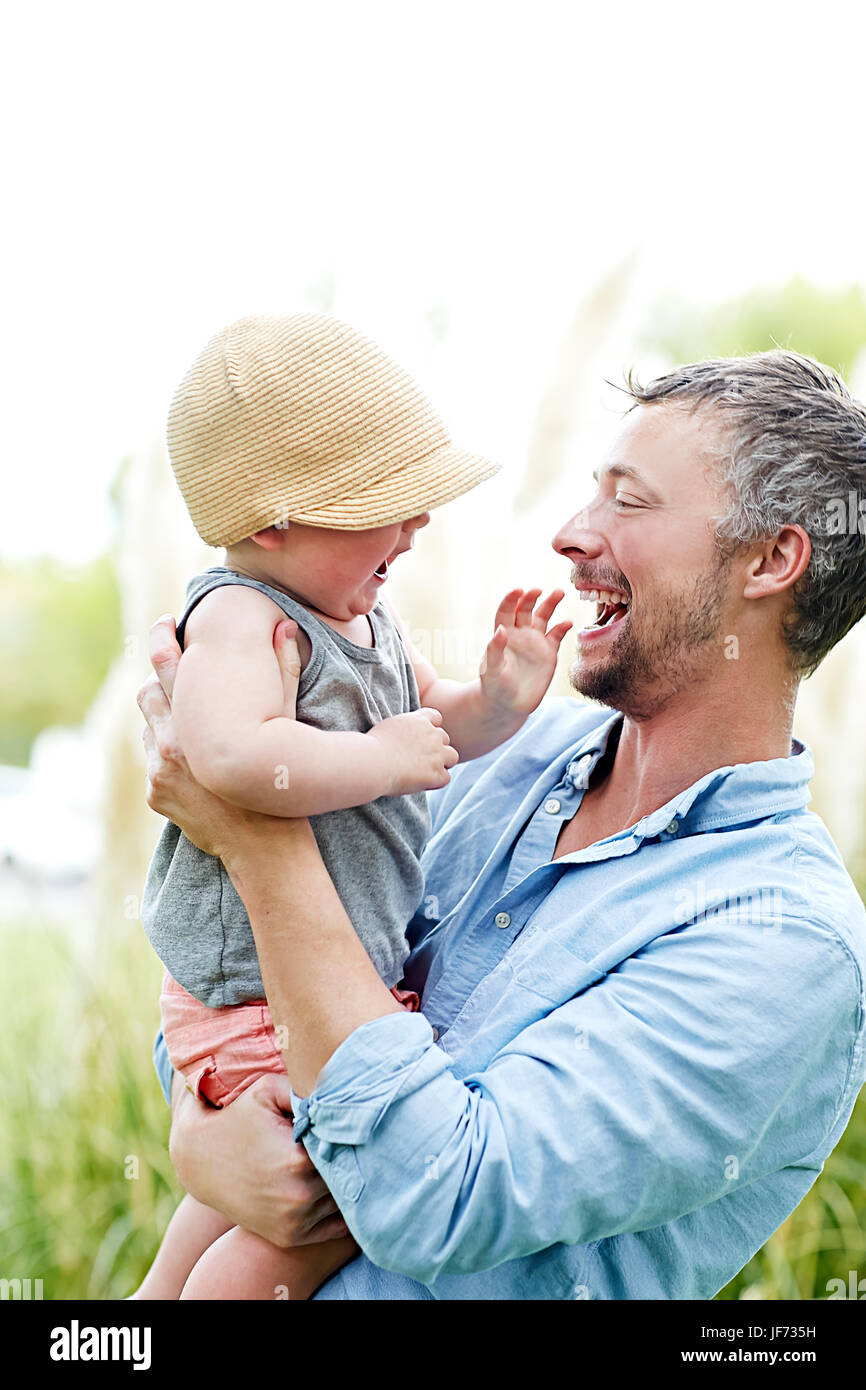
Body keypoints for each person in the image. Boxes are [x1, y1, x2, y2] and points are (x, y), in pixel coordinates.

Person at [140, 348, 866, 1300]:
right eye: (588, 494)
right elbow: (236, 985)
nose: (571, 534)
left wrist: (257, 833)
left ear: (771, 560)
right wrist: (202, 1127)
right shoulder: (493, 761)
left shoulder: (783, 942)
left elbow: (437, 1198)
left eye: (629, 502)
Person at [131, 311, 572, 1300]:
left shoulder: (361, 618)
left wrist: (496, 698)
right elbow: (225, 754)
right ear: (274, 519)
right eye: (387, 503)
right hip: (249, 987)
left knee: (248, 1188)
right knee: (320, 1201)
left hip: (304, 987)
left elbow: (436, 729)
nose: (416, 528)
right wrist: (374, 755)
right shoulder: (242, 618)